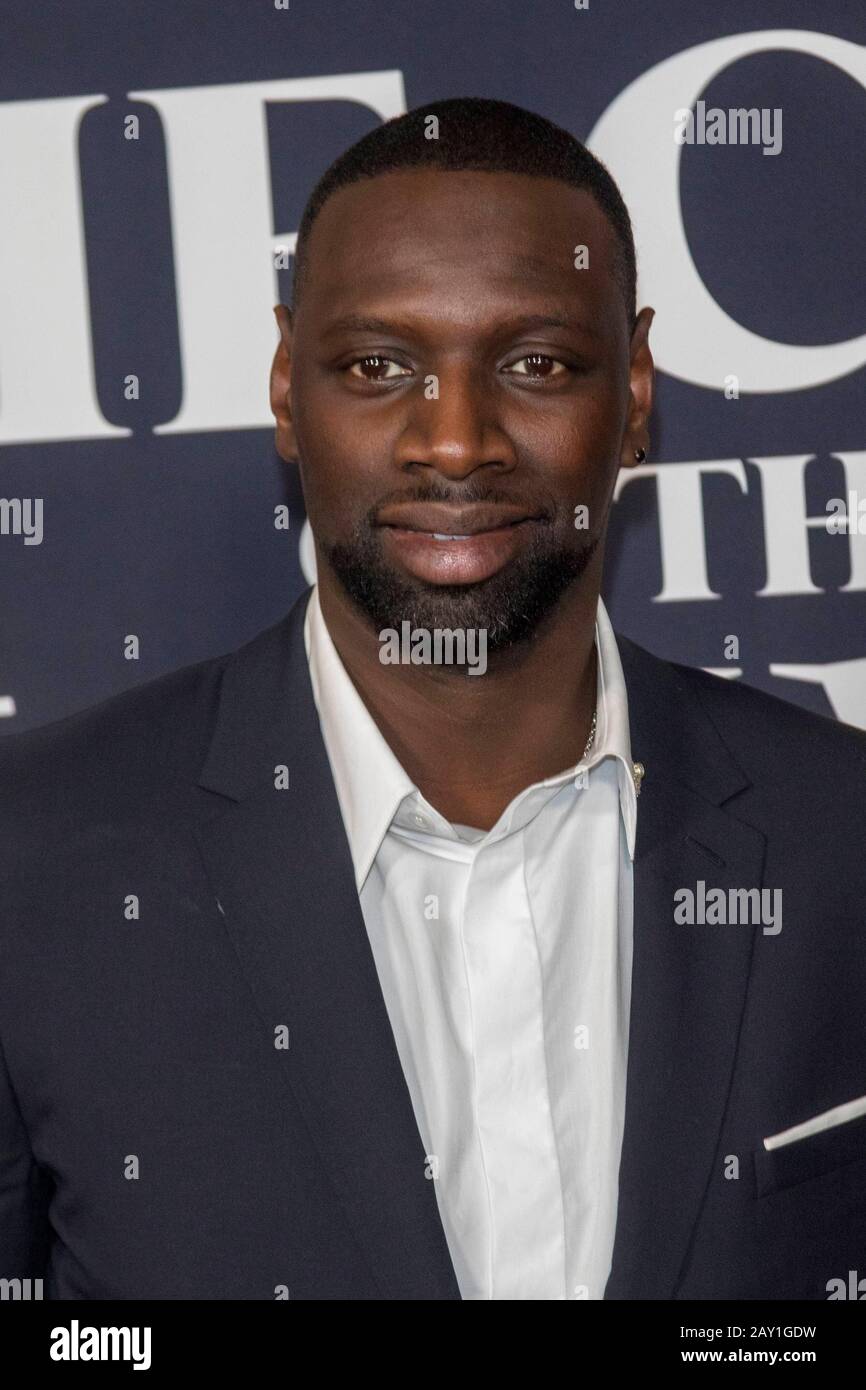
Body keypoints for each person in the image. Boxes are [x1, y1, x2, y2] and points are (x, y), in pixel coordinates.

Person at [2, 97, 865, 1302]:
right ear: (285, 389)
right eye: (375, 365)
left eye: (534, 363)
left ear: (632, 392)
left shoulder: (838, 835)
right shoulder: (34, 861)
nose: (453, 441)